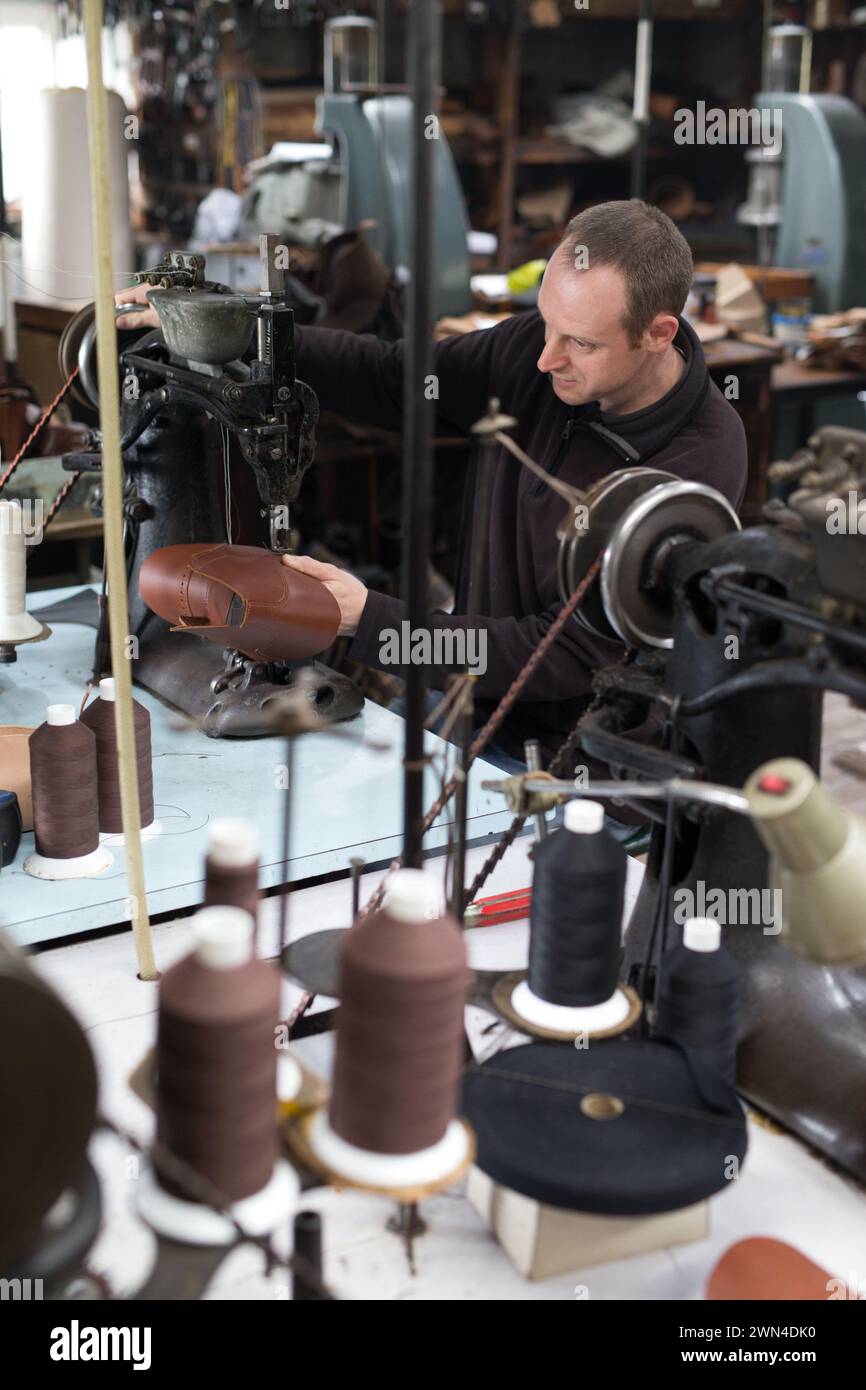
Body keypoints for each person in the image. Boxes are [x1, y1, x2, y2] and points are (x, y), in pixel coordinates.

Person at [117, 199, 746, 819]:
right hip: (476, 722)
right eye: (546, 322)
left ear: (658, 333)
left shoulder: (696, 461)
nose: (544, 357)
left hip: (588, 777)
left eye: (579, 342)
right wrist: (241, 329)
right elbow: (396, 378)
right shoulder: (540, 352)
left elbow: (563, 654)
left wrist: (373, 623)